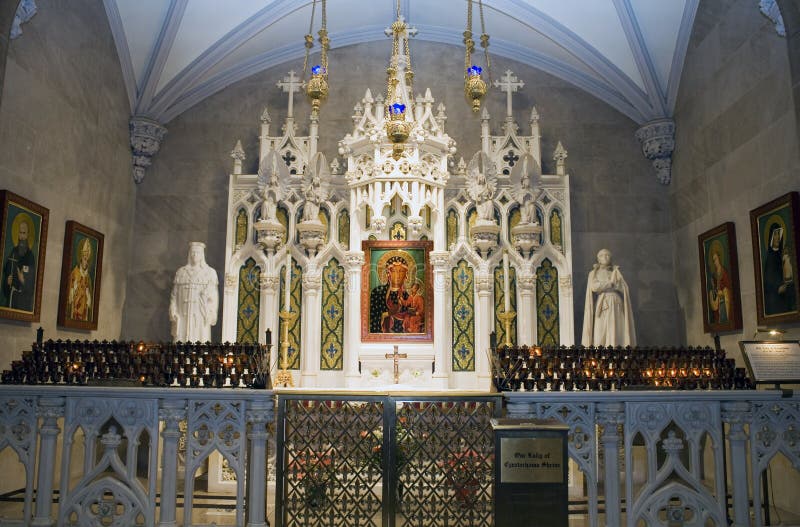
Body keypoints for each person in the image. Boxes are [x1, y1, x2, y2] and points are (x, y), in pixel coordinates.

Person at [581, 249, 636, 347]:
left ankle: (617, 350)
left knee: (616, 328)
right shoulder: (594, 273)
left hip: (616, 302)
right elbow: (594, 286)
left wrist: (616, 280)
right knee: (601, 330)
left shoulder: (615, 273)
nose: (605, 257)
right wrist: (609, 283)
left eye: (607, 255)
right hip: (603, 302)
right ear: (598, 259)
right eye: (602, 255)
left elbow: (623, 288)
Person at [169, 242, 219, 342]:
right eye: (192, 252)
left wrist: (210, 313)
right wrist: (172, 309)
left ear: (202, 255)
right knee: (180, 343)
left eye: (197, 252)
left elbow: (214, 298)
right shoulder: (181, 272)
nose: (194, 255)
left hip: (200, 316)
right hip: (183, 316)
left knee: (199, 342)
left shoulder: (209, 272)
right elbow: (174, 295)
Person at [369, 251, 414, 333]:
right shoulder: (377, 293)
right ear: (388, 273)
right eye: (394, 271)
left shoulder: (407, 297)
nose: (398, 275)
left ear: (406, 275)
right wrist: (386, 314)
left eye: (401, 271)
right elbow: (371, 317)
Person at [2, 213, 36, 311]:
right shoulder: (13, 252)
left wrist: (23, 281)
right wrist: (7, 283)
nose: (21, 236)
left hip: (23, 302)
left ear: (28, 235)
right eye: (20, 233)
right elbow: (6, 275)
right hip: (12, 299)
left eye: (24, 233)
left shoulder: (30, 256)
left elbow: (33, 286)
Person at [763, 221, 795, 315]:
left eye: (779, 234)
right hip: (775, 301)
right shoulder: (770, 257)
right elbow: (768, 281)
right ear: (771, 237)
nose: (778, 237)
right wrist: (778, 287)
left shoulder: (781, 254)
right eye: (776, 234)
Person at [66, 238, 93, 321]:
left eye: (87, 254)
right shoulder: (75, 272)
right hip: (76, 307)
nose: (86, 256)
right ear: (81, 254)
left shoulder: (88, 276)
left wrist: (88, 300)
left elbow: (89, 292)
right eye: (84, 253)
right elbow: (71, 290)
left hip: (84, 308)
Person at [707, 246, 731, 324]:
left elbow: (728, 288)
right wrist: (714, 292)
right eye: (713, 260)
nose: (715, 262)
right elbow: (714, 289)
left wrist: (723, 293)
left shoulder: (724, 272)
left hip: (724, 302)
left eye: (716, 259)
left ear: (719, 258)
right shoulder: (714, 275)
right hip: (717, 303)